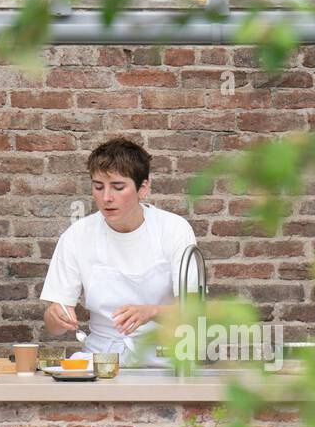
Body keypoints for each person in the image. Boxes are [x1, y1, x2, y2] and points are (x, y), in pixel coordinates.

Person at [40, 138, 199, 364]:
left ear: (143, 188)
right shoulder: (77, 236)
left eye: (118, 187)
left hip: (164, 357)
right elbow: (53, 326)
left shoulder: (173, 230)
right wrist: (56, 317)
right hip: (102, 359)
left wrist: (152, 312)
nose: (106, 198)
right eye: (98, 187)